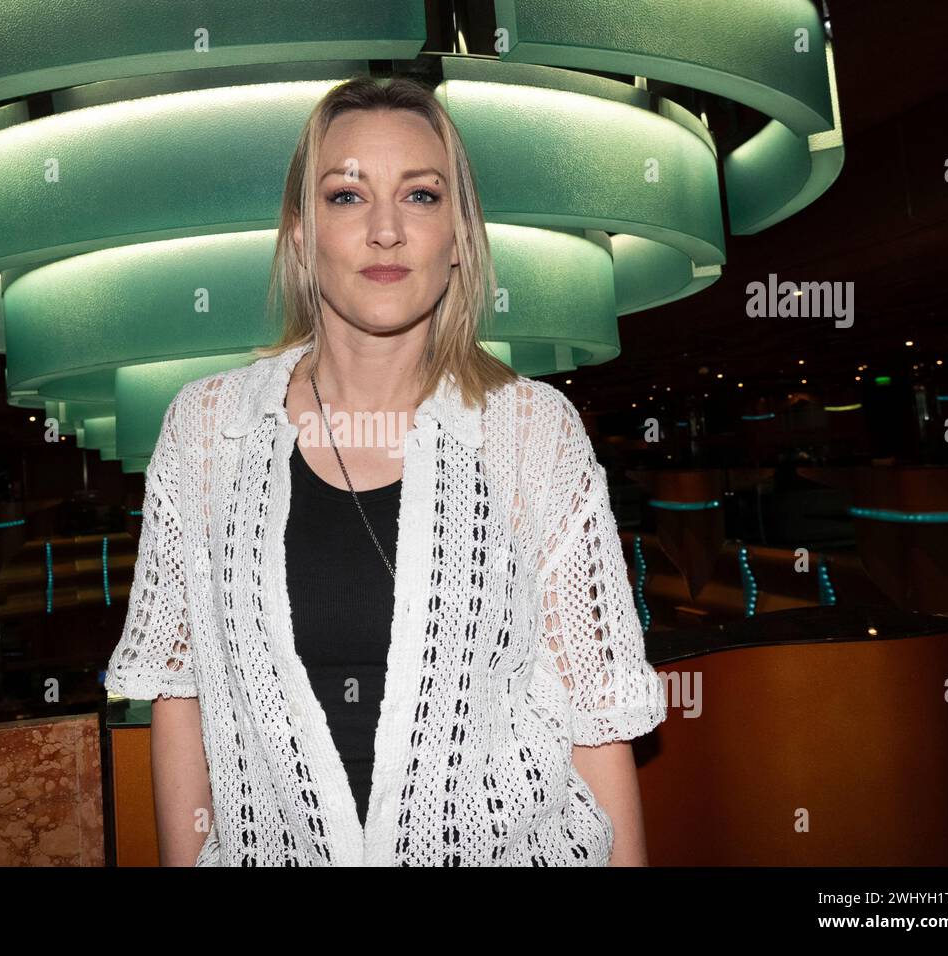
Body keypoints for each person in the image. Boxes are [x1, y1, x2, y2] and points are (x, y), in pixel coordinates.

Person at [105, 75, 667, 866]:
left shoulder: (534, 432)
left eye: (421, 196)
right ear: (300, 232)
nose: (385, 231)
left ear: (460, 236)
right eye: (345, 196)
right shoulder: (205, 431)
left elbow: (595, 721)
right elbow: (179, 692)